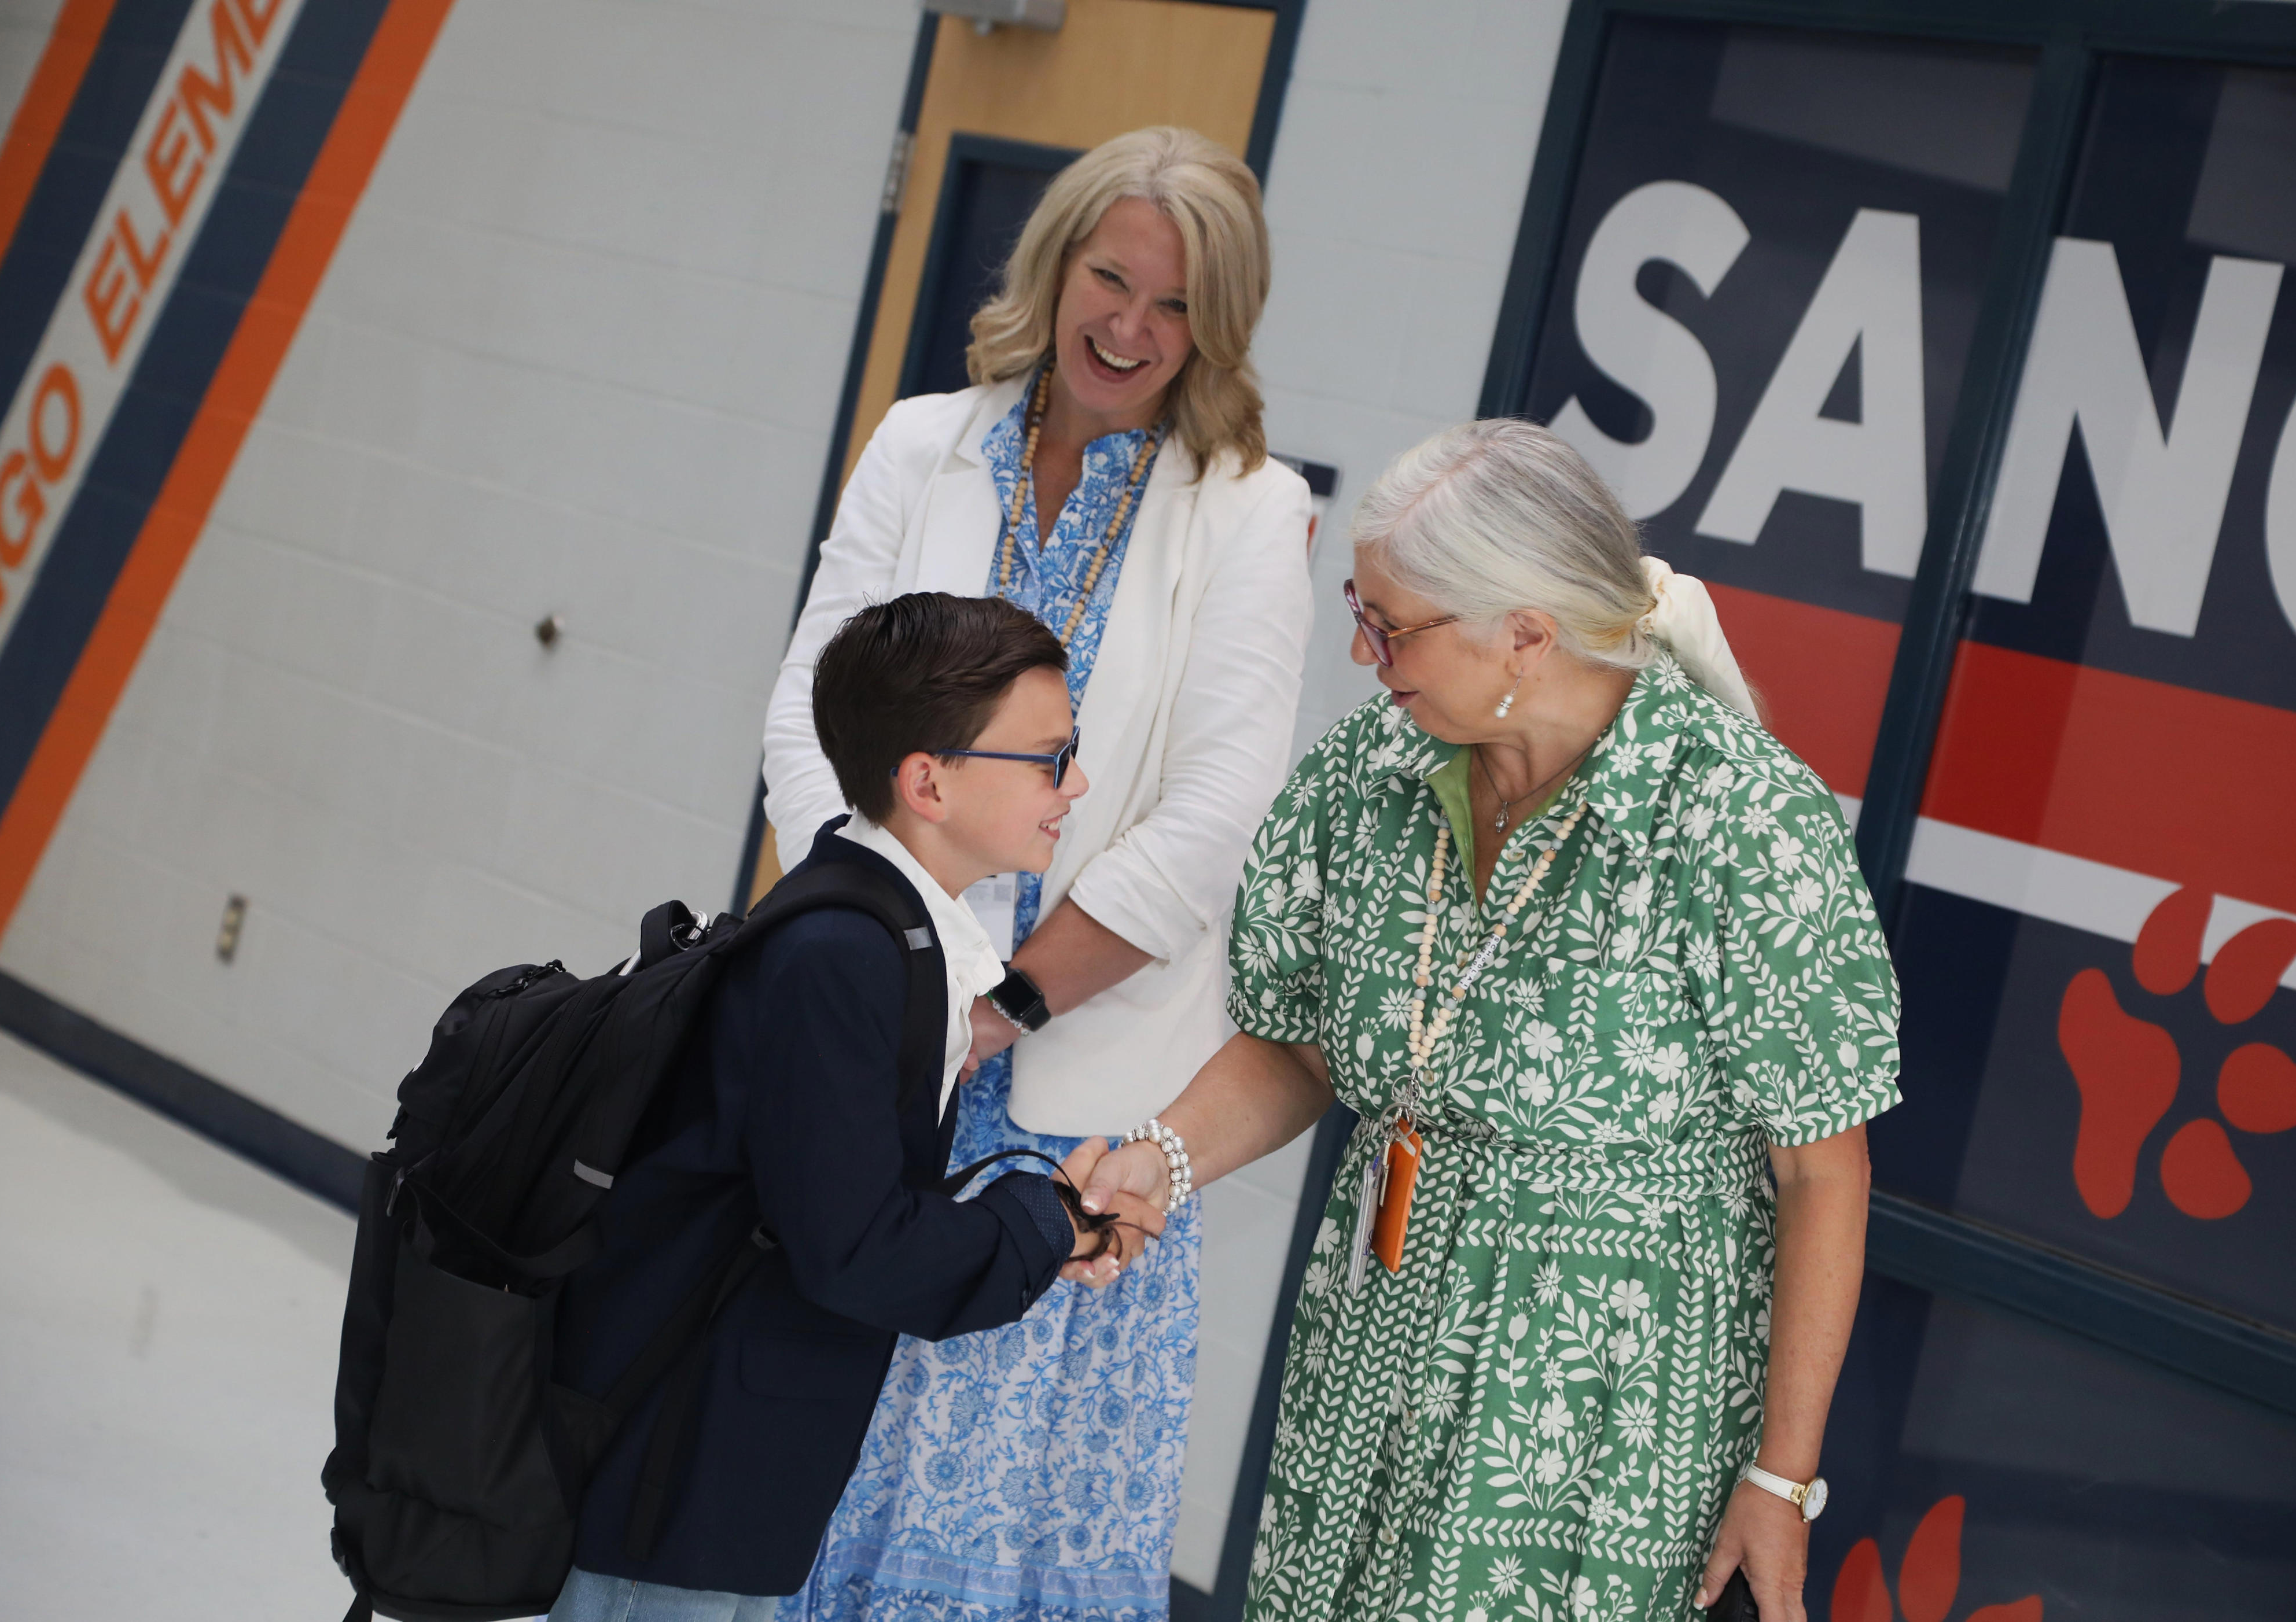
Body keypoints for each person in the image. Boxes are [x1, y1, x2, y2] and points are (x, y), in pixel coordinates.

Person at [1076, 421, 1903, 1622]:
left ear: (1527, 628)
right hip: (1376, 1336)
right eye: (1363, 615)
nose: (1369, 656)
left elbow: (1824, 1171)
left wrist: (1781, 1474)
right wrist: (1165, 1156)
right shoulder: (1373, 776)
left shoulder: (1735, 818)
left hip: (1597, 1407)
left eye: (1394, 626)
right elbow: (1307, 1045)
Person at [761, 127, 1314, 1622]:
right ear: (1056, 261)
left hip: (1075, 1082)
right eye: (1109, 278)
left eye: (1175, 305)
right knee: (794, 1456)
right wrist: (879, 948)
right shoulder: (918, 441)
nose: (1129, 328)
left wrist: (996, 999)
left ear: (1219, 325)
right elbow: (810, 703)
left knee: (992, 1521)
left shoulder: (1250, 509)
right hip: (871, 1033)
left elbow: (1217, 807)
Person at [547, 593, 1165, 1622]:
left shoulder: (888, 937)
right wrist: (1043, 1217)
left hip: (721, 1473)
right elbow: (853, 1249)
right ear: (927, 780)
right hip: (679, 1479)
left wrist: (1041, 1219)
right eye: (1050, 759)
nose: (1078, 784)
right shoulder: (842, 957)